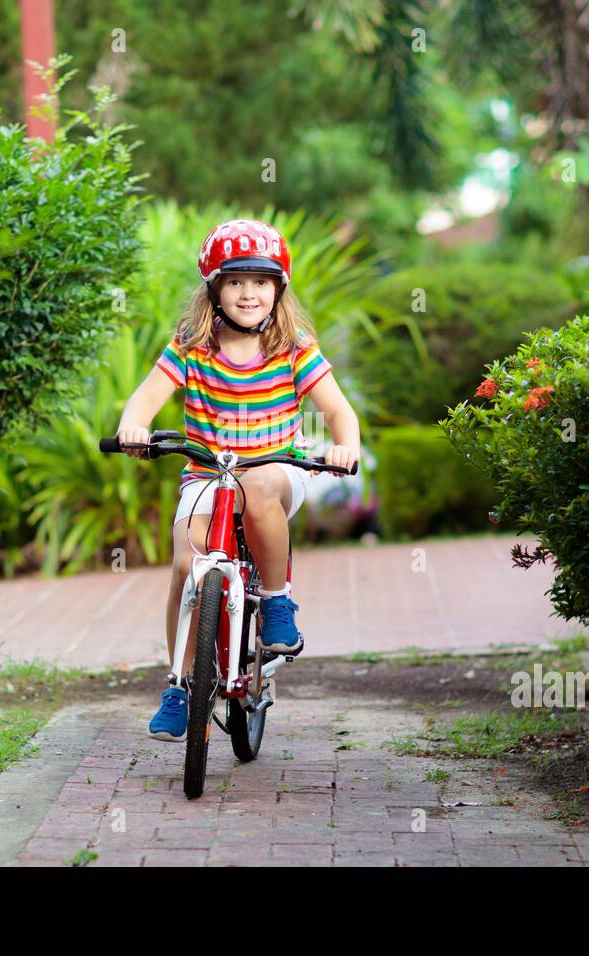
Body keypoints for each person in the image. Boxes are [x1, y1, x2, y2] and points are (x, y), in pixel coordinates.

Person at [115, 218, 361, 741]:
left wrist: (346, 445)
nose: (248, 293)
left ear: (278, 288)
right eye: (235, 281)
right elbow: (144, 398)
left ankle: (274, 600)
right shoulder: (191, 344)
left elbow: (340, 412)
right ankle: (180, 685)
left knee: (262, 488)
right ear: (214, 289)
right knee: (186, 563)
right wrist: (133, 427)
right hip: (208, 472)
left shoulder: (293, 345)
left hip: (274, 471)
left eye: (261, 281)